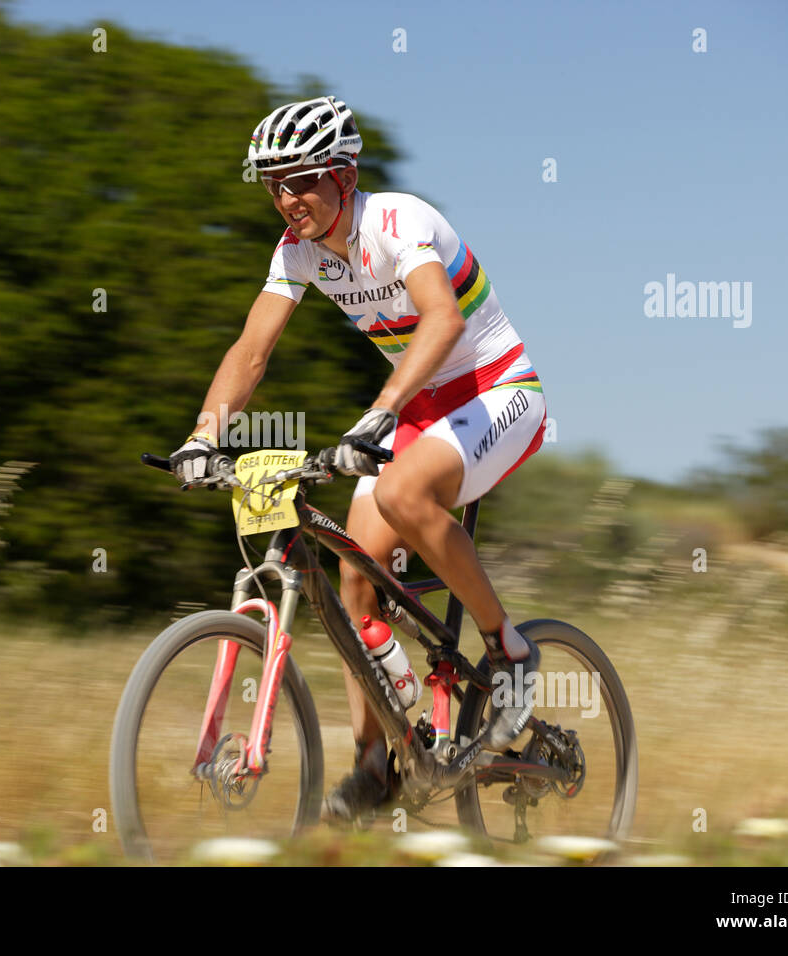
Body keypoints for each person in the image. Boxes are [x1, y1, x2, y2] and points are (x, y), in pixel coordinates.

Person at [170, 95, 548, 823]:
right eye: (273, 183)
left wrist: (378, 414)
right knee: (355, 580)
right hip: (417, 412)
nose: (288, 199)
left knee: (404, 495)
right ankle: (378, 762)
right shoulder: (297, 252)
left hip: (498, 390)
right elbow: (252, 352)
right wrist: (203, 435)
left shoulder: (399, 222)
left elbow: (442, 318)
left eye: (302, 180)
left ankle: (511, 652)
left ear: (344, 176)